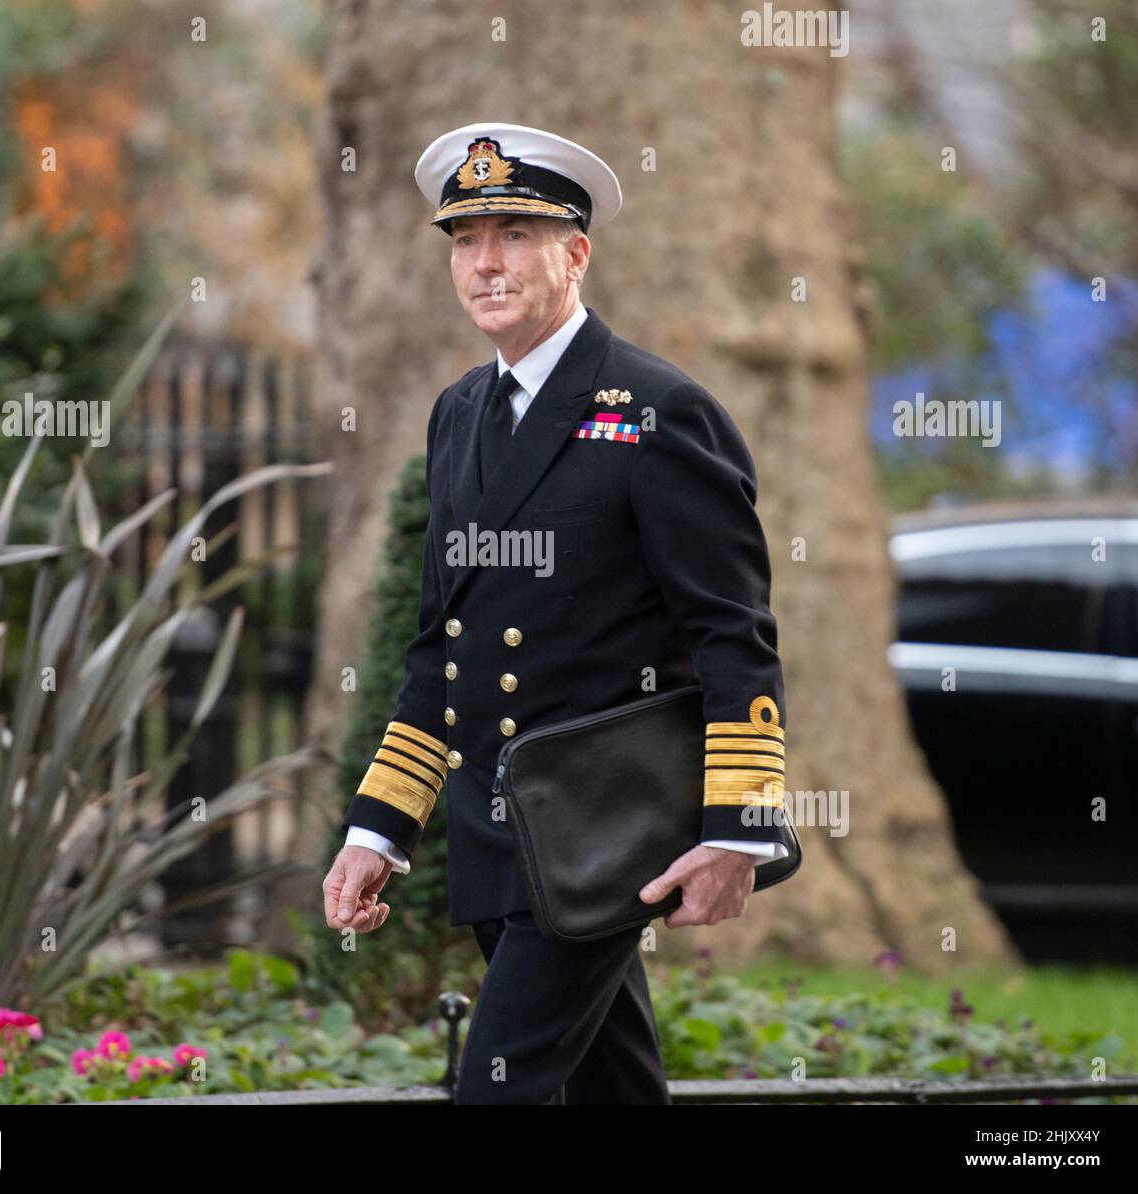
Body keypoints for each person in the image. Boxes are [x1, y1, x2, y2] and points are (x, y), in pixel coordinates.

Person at [322, 122, 797, 1104]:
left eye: (514, 235)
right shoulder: (457, 415)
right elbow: (439, 649)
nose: (484, 262)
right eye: (464, 239)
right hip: (499, 841)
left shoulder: (656, 410)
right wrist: (379, 829)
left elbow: (730, 634)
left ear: (575, 254)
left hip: (609, 829)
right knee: (611, 1091)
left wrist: (739, 826)